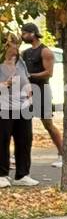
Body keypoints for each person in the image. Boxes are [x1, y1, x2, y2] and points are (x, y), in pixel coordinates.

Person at [19, 22, 63, 166]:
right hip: (28, 92)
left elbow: (49, 73)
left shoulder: (45, 51)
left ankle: (63, 155)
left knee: (48, 124)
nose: (22, 36)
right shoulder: (25, 53)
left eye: (24, 33)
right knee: (22, 125)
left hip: (42, 91)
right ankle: (18, 155)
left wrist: (30, 76)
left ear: (32, 33)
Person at [0, 33, 40, 187]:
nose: (16, 48)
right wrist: (6, 84)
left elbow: (25, 77)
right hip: (4, 107)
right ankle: (2, 175)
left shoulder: (20, 61)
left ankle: (22, 175)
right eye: (13, 45)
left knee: (24, 140)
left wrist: (29, 90)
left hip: (23, 106)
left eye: (17, 45)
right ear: (5, 46)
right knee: (3, 140)